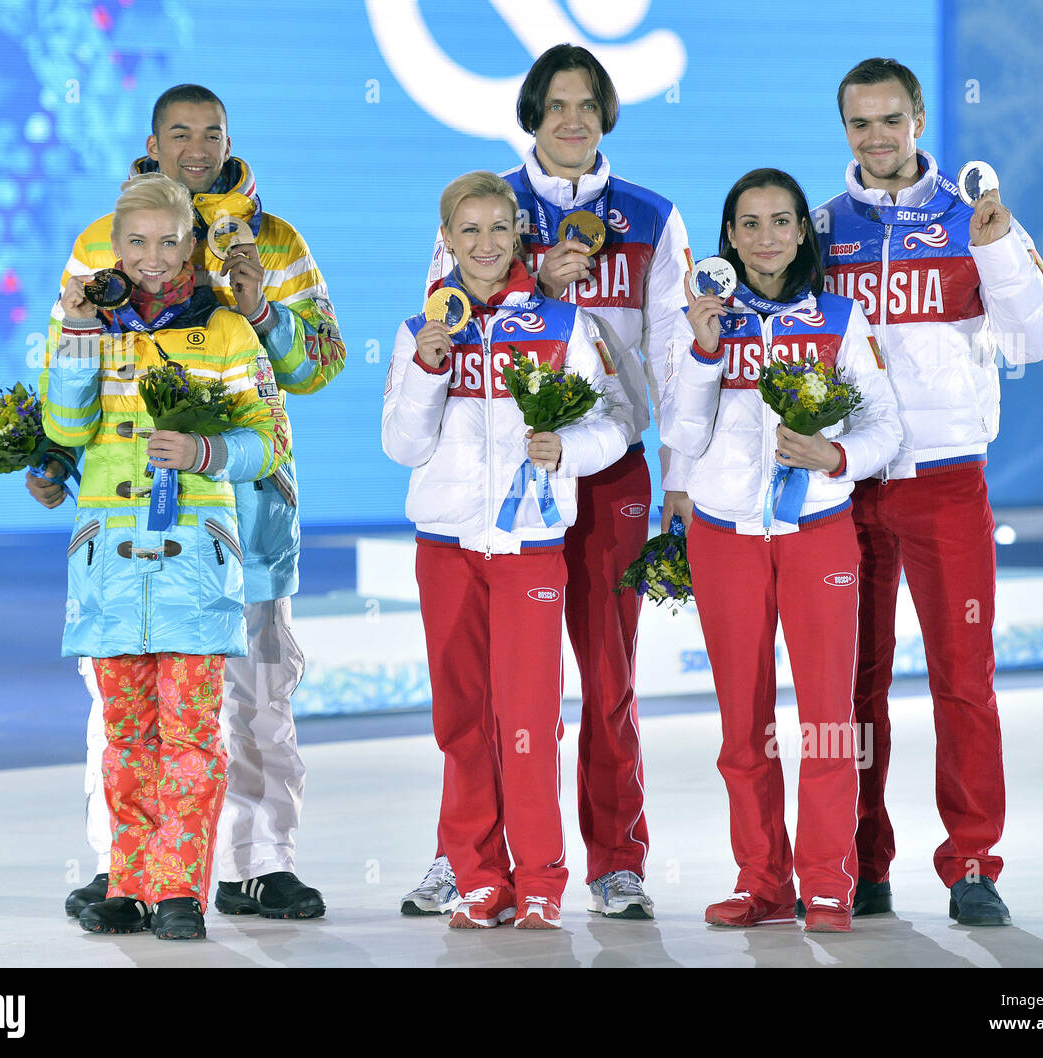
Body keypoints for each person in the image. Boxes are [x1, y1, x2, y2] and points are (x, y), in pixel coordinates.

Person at [33, 85, 346, 922]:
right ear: (153, 140)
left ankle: (259, 861)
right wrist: (53, 460)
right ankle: (125, 869)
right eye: (181, 133)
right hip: (131, 516)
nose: (197, 148)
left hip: (245, 502)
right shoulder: (99, 241)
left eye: (212, 134)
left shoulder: (274, 241)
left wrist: (263, 311)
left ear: (230, 139)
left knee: (255, 691)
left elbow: (322, 364)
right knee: (127, 703)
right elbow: (70, 373)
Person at [403, 42, 690, 921]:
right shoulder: (486, 207)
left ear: (607, 114)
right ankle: (470, 856)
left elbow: (676, 355)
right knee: (484, 688)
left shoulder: (650, 216)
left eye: (588, 104)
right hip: (496, 480)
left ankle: (614, 859)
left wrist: (677, 473)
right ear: (531, 114)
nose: (573, 120)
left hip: (603, 467)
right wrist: (531, 278)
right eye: (556, 104)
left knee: (608, 675)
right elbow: (441, 326)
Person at [816, 58, 1043, 925]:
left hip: (946, 482)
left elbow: (1038, 338)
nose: (878, 138)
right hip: (845, 485)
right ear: (843, 130)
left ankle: (972, 865)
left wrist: (997, 250)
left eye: (892, 120)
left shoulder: (974, 219)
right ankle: (859, 857)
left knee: (964, 677)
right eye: (860, 125)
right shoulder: (821, 232)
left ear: (919, 118)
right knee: (851, 685)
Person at [383, 171, 633, 929]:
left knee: (527, 720)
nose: (486, 244)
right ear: (446, 240)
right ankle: (479, 879)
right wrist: (429, 367)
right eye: (470, 230)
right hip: (446, 548)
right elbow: (400, 445)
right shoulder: (422, 328)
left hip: (528, 548)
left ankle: (540, 882)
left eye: (500, 229)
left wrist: (570, 449)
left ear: (520, 234)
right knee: (461, 722)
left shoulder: (567, 325)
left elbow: (622, 421)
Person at [661, 169, 901, 933]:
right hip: (726, 538)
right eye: (750, 223)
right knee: (744, 723)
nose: (767, 237)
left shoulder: (841, 317)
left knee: (829, 720)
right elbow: (682, 439)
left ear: (803, 232)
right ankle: (762, 880)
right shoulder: (698, 318)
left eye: (782, 222)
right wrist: (702, 355)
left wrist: (836, 459)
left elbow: (886, 428)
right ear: (728, 235)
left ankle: (828, 883)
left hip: (819, 537)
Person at [42, 172, 278, 939]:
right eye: (135, 242)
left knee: (191, 733)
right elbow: (67, 428)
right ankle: (131, 882)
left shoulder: (228, 331)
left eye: (168, 241)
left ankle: (178, 889)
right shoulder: (88, 325)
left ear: (191, 245)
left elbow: (264, 442)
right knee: (125, 736)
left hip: (193, 563)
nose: (151, 257)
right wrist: (78, 333)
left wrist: (206, 449)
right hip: (109, 557)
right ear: (112, 247)